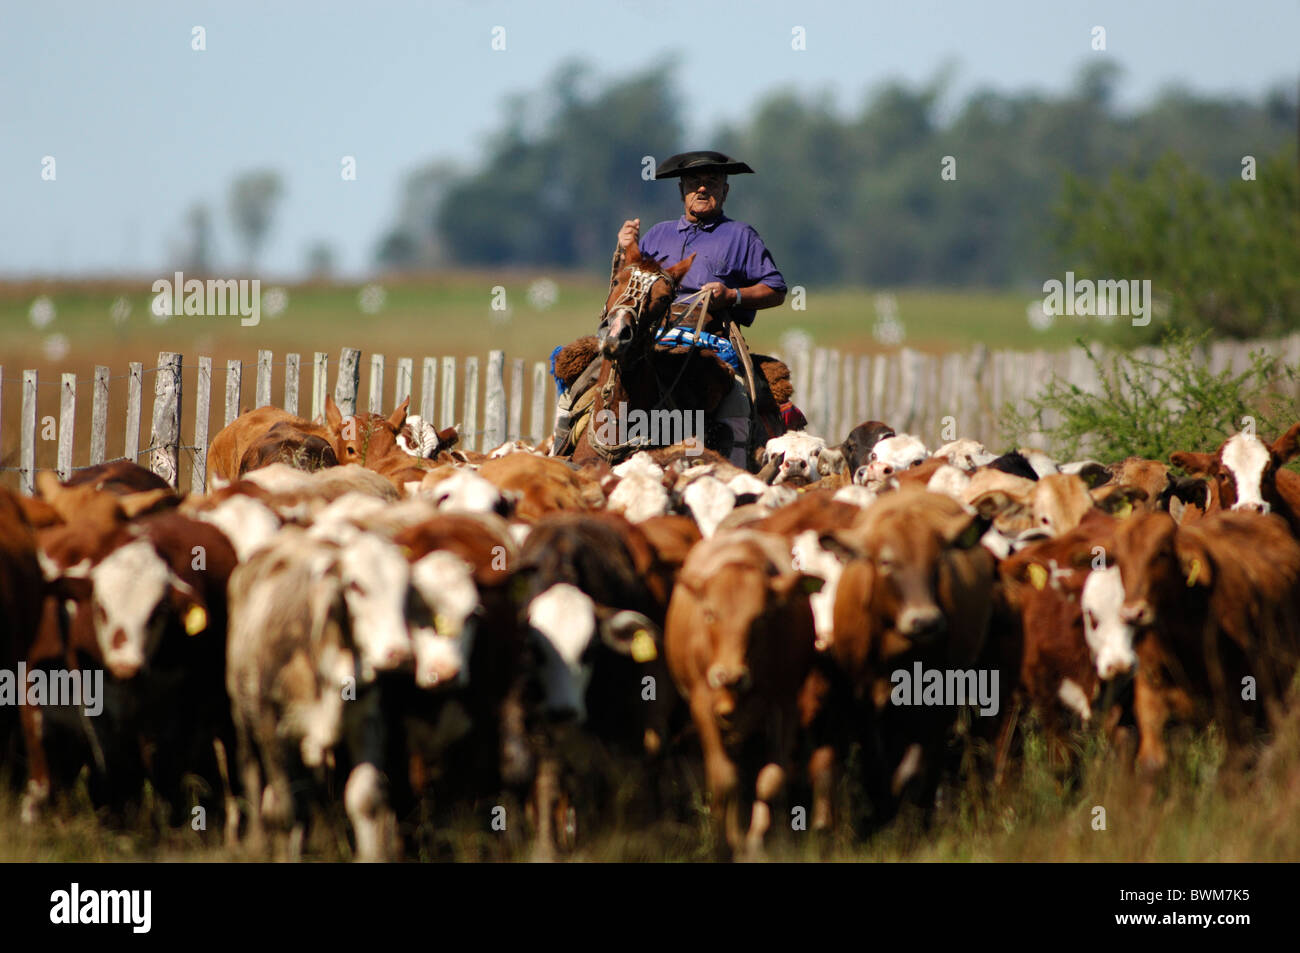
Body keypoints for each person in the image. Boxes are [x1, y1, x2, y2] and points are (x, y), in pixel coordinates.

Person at [615, 150, 787, 468]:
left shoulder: (742, 236)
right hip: (654, 340)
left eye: (712, 182)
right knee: (588, 381)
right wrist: (628, 250)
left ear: (725, 190)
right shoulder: (657, 234)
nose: (703, 189)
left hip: (712, 342)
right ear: (682, 190)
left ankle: (736, 468)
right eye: (694, 182)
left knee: (736, 397)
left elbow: (776, 289)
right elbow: (630, 289)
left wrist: (731, 295)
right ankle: (569, 448)